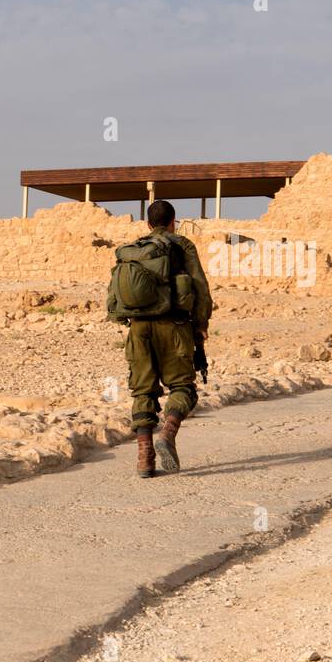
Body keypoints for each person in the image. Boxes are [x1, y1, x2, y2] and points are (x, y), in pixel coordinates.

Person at [109, 200, 213, 478]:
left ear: (147, 223)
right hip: (174, 326)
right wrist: (201, 324)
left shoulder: (134, 249)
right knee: (183, 387)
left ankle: (145, 458)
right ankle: (167, 433)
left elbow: (114, 297)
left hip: (138, 329)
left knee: (142, 391)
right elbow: (200, 286)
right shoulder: (182, 245)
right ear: (173, 221)